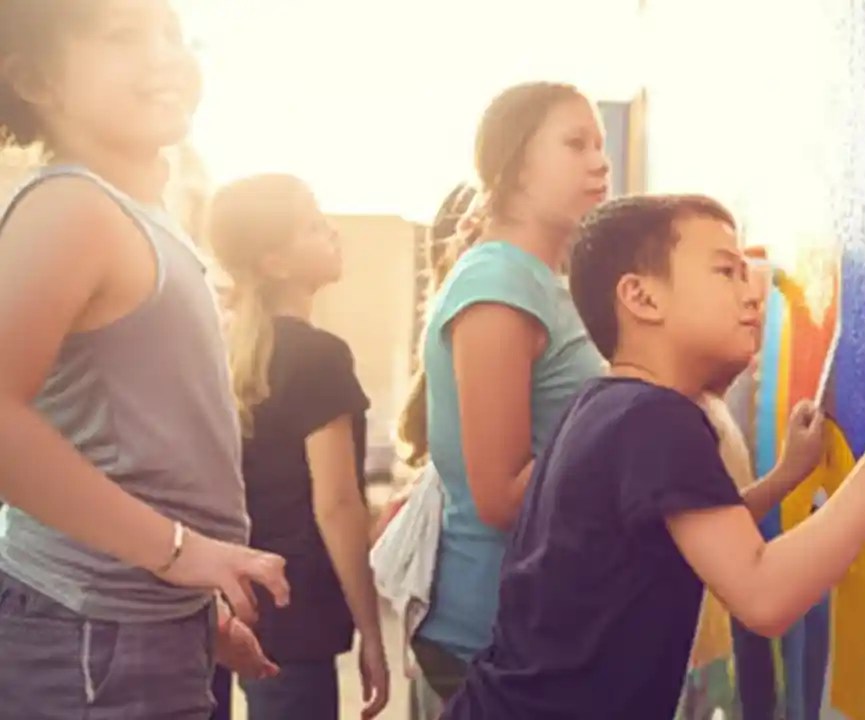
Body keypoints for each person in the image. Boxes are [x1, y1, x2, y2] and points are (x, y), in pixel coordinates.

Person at [442, 194, 865, 719]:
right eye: (725, 271)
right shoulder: (656, 420)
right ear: (641, 297)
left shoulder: (601, 407)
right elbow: (764, 596)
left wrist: (785, 477)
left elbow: (684, 537)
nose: (752, 294)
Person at [0, 1, 289, 717]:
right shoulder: (72, 209)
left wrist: (193, 603)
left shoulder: (140, 217)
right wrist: (180, 553)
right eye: (124, 37)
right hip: (90, 626)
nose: (165, 56)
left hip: (138, 620)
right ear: (38, 80)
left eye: (170, 32)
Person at [412, 82, 610, 701]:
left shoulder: (542, 281)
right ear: (516, 163)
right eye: (576, 144)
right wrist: (638, 398)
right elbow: (499, 495)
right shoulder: (499, 279)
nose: (601, 163)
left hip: (545, 629)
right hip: (494, 640)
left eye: (601, 145)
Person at [207, 174, 390, 720]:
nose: (332, 232)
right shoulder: (317, 355)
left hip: (222, 594)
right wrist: (372, 634)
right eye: (312, 225)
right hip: (294, 607)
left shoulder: (224, 351)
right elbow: (335, 504)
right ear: (274, 263)